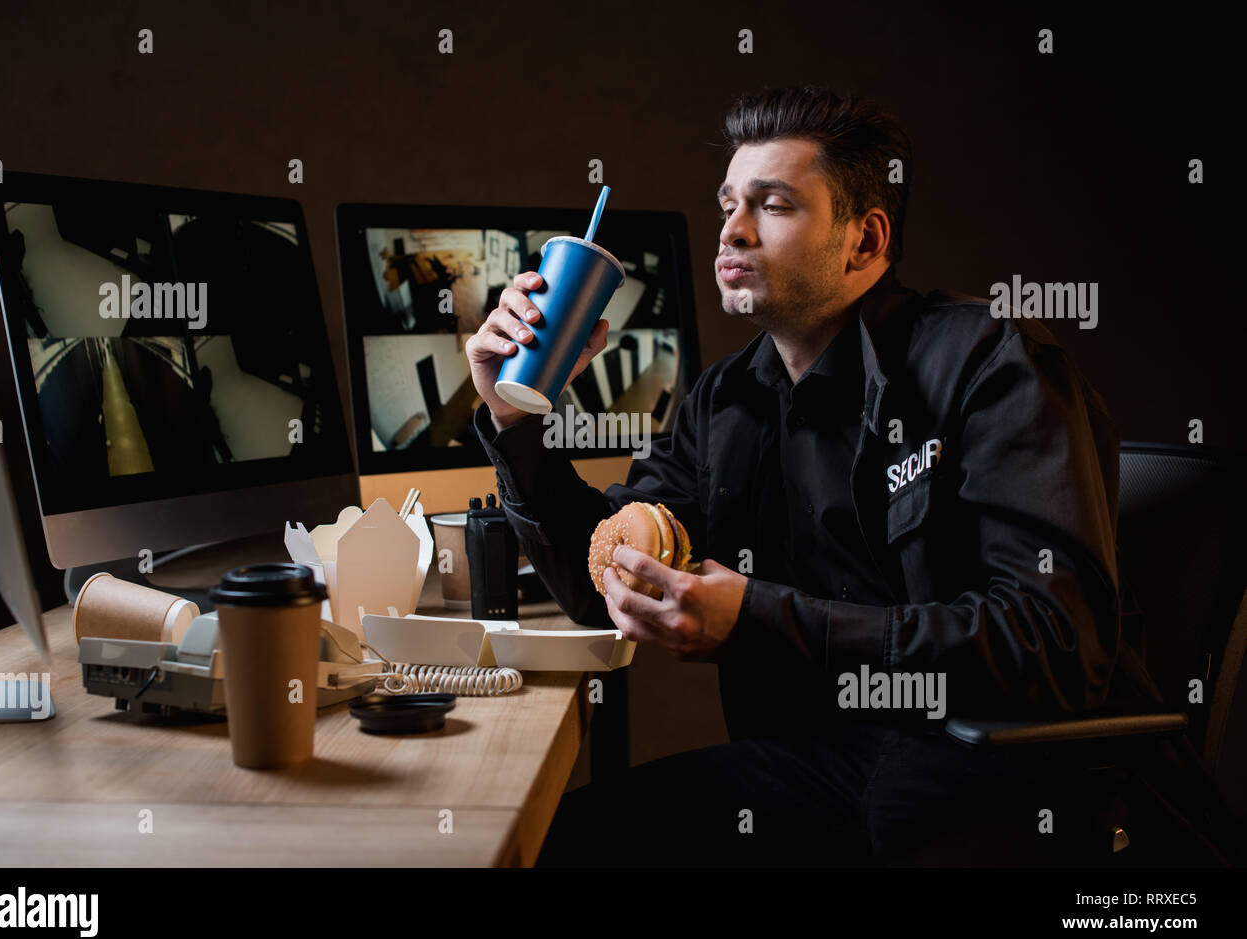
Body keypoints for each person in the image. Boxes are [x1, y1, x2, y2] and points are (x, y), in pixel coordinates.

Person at [464, 84, 1142, 866]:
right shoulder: (724, 397)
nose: (732, 228)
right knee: (539, 843)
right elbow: (599, 590)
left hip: (974, 786)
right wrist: (515, 421)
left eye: (774, 204)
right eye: (728, 203)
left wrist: (757, 617)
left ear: (864, 239)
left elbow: (1054, 647)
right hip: (808, 773)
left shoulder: (991, 366)